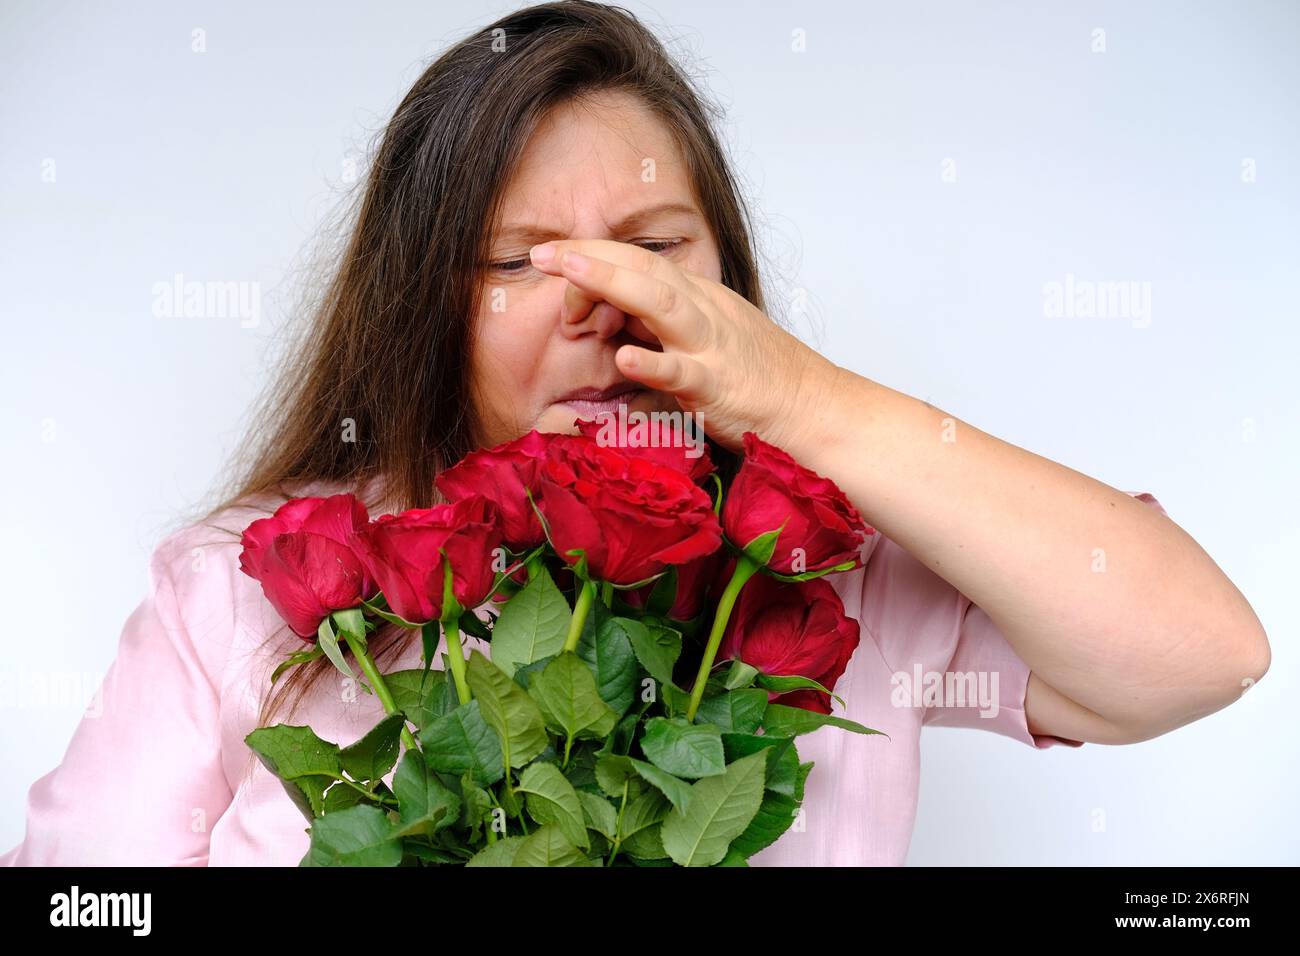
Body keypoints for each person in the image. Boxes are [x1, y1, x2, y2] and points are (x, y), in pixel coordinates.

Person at [1, 0, 1269, 867]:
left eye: (658, 247)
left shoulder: (830, 566)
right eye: (516, 258)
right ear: (421, 299)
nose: (610, 299)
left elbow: (1199, 652)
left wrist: (803, 399)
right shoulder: (249, 584)